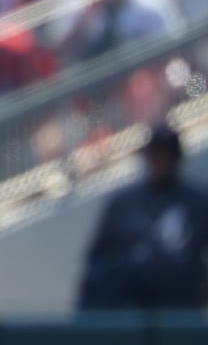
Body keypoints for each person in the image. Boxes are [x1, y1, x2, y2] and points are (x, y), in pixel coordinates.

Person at [79, 123, 208, 309]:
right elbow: (98, 258)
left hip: (182, 307)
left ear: (177, 158)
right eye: (157, 155)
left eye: (167, 155)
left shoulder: (197, 202)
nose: (162, 161)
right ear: (148, 157)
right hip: (134, 312)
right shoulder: (124, 203)